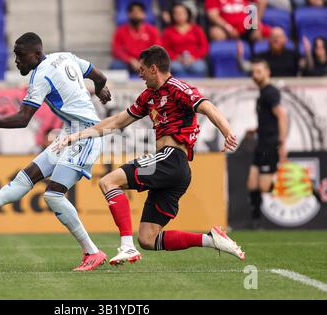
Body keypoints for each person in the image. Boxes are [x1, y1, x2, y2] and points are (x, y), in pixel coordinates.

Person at [56, 45, 245, 265]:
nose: (139, 74)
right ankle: (211, 240)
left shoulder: (178, 88)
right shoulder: (148, 96)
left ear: (154, 69)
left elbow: (207, 106)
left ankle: (126, 247)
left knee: (109, 182)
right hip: (174, 169)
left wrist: (227, 131)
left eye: (142, 69)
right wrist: (78, 136)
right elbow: (117, 121)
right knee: (148, 238)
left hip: (171, 158)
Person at [0, 32, 112, 271]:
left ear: (37, 54)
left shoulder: (41, 76)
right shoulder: (65, 56)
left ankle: (92, 252)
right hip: (70, 134)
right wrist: (101, 91)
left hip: (88, 135)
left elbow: (23, 119)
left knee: (53, 196)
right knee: (25, 177)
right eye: (15, 56)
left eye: (21, 56)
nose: (17, 61)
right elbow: (99, 76)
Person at [245, 58, 288, 229]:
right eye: (253, 72)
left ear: (267, 72)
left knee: (263, 186)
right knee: (251, 184)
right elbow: (269, 119)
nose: (255, 75)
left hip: (270, 145)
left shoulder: (270, 92)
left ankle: (304, 190)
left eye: (259, 72)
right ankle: (256, 221)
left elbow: (282, 116)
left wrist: (282, 143)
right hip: (261, 143)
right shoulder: (263, 93)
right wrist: (256, 130)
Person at [111, 1, 161, 74]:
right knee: (116, 65)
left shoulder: (152, 30)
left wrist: (144, 61)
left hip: (147, 62)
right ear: (129, 14)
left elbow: (157, 49)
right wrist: (130, 60)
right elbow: (116, 49)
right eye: (133, 12)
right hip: (128, 63)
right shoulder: (120, 30)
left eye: (139, 12)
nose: (136, 14)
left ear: (144, 14)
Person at [162, 3, 209, 77]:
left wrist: (194, 57)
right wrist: (176, 57)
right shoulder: (168, 31)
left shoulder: (196, 29)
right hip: (176, 60)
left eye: (182, 13)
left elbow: (204, 46)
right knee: (175, 67)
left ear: (188, 14)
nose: (179, 15)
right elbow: (165, 48)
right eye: (176, 13)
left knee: (199, 67)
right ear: (172, 15)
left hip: (194, 59)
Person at [206, 0, 271, 42]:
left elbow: (262, 2)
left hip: (247, 26)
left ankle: (257, 60)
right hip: (226, 29)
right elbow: (213, 16)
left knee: (275, 34)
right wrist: (229, 28)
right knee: (216, 33)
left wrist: (255, 22)